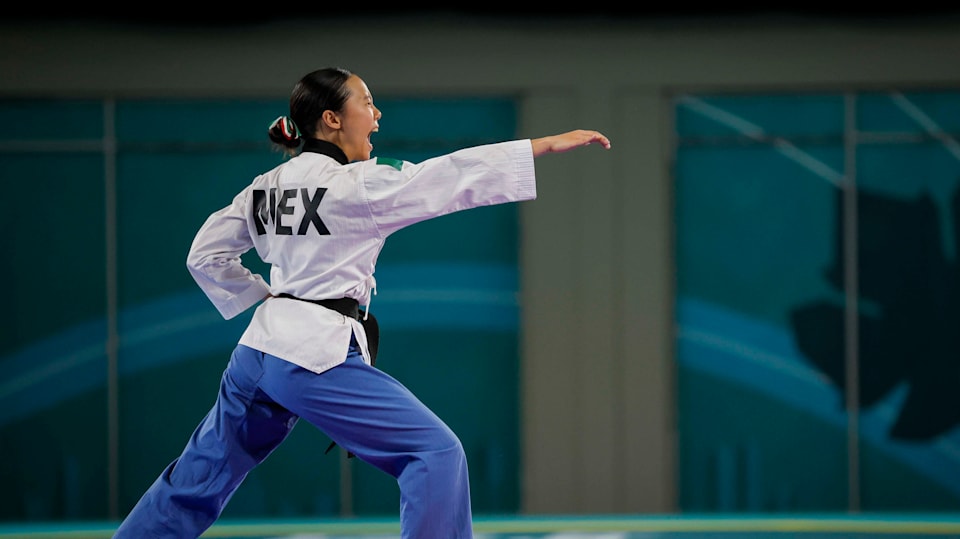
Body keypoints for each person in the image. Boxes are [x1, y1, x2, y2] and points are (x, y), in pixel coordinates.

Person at [112, 66, 611, 539]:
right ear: (332, 119)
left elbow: (205, 255)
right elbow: (448, 178)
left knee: (197, 477)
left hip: (257, 353)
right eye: (367, 103)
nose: (376, 115)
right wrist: (543, 145)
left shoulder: (264, 187)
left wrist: (264, 298)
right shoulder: (357, 185)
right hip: (311, 356)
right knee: (433, 452)